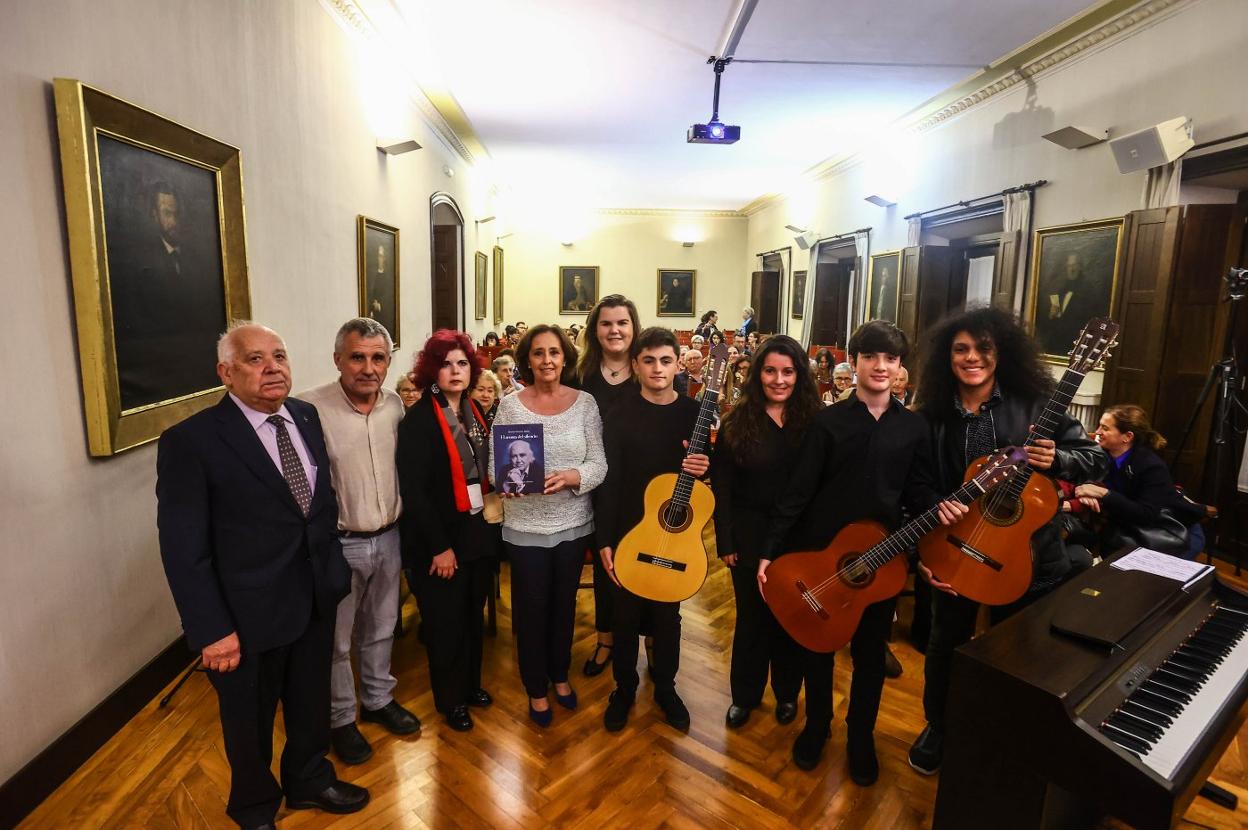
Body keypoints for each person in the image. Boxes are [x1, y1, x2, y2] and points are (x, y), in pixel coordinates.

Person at [156, 322, 367, 828]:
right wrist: (210, 630)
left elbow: (316, 505)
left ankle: (309, 779)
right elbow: (183, 548)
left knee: (310, 703)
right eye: (255, 359)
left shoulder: (305, 417)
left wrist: (332, 571)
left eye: (279, 356)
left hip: (315, 597)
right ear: (225, 373)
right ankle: (253, 807)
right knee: (249, 722)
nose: (272, 367)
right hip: (245, 616)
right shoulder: (192, 441)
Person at [757, 320, 965, 783]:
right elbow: (798, 493)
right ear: (853, 363)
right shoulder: (826, 423)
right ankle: (817, 727)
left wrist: (939, 511)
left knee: (871, 654)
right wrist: (771, 550)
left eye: (890, 359)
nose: (880, 366)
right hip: (824, 557)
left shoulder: (912, 429)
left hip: (882, 564)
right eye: (871, 356)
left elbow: (920, 490)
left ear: (899, 367)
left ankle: (860, 737)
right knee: (819, 649)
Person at [908, 306, 1108, 776]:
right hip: (956, 550)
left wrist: (1058, 458)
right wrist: (929, 542)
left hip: (1031, 556)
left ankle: (1006, 733)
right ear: (946, 356)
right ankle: (939, 725)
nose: (972, 357)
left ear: (1001, 353)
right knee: (945, 644)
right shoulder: (931, 414)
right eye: (961, 349)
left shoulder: (1038, 405)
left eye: (983, 348)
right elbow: (918, 485)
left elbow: (1095, 460)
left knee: (1021, 651)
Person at [303, 318, 419, 766]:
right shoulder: (309, 409)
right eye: (357, 357)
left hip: (390, 537)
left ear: (388, 362)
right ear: (338, 360)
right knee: (337, 639)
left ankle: (377, 700)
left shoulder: (395, 407)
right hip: (340, 543)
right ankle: (340, 719)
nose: (368, 368)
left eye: (378, 358)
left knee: (382, 626)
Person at [491, 325, 606, 726]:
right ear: (528, 360)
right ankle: (535, 688)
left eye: (554, 352)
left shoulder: (586, 403)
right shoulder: (510, 405)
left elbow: (599, 464)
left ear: (565, 358)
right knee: (531, 608)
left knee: (564, 605)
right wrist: (510, 483)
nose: (546, 360)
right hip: (525, 528)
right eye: (538, 353)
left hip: (574, 524)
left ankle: (560, 675)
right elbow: (495, 465)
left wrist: (574, 476)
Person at [597, 327, 710, 731]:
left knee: (668, 617)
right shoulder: (619, 414)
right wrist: (604, 540)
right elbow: (608, 482)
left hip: (675, 534)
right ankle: (624, 688)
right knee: (624, 617)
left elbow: (704, 473)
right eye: (649, 361)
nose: (658, 369)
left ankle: (665, 687)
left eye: (665, 360)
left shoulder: (693, 412)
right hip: (629, 532)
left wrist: (704, 469)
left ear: (678, 364)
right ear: (635, 365)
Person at [714, 335, 820, 730]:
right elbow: (721, 486)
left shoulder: (813, 421)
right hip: (748, 533)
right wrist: (725, 540)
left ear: (800, 375)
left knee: (791, 618)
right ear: (757, 374)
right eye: (770, 370)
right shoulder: (737, 421)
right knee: (752, 619)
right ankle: (745, 695)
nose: (779, 379)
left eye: (788, 371)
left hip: (798, 536)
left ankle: (788, 693)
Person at [396, 331, 497, 732]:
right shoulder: (420, 419)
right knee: (444, 624)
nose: (455, 371)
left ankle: (471, 686)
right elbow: (415, 492)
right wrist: (439, 547)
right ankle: (450, 700)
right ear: (431, 371)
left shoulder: (472, 411)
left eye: (462, 363)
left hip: (474, 531)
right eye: (446, 364)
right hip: (438, 541)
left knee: (472, 618)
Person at [111, 180, 226, 410]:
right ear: (155, 216)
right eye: (167, 213)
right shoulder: (138, 264)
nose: (174, 221)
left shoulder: (199, 260)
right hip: (161, 367)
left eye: (176, 213)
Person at [575, 294, 642, 676]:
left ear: (634, 328)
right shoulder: (580, 375)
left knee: (641, 559)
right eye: (606, 323)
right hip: (590, 487)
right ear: (595, 330)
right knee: (605, 566)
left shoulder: (647, 370)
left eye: (622, 323)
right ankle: (605, 639)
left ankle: (647, 637)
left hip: (638, 484)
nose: (615, 330)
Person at [1077, 404, 1206, 556]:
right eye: (1099, 426)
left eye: (1105, 428)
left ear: (1127, 437)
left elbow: (1146, 514)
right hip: (1131, 531)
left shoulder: (1151, 466)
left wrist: (1104, 494)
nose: (1098, 432)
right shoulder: (1101, 455)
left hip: (1173, 533)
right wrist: (1086, 489)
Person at [1040, 251, 1106, 356]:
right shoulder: (1062, 288)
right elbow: (1054, 316)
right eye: (1069, 266)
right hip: (1057, 344)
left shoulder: (1089, 289)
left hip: (1076, 343)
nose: (1071, 269)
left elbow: (1091, 319)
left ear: (1080, 267)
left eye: (1074, 265)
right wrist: (1052, 314)